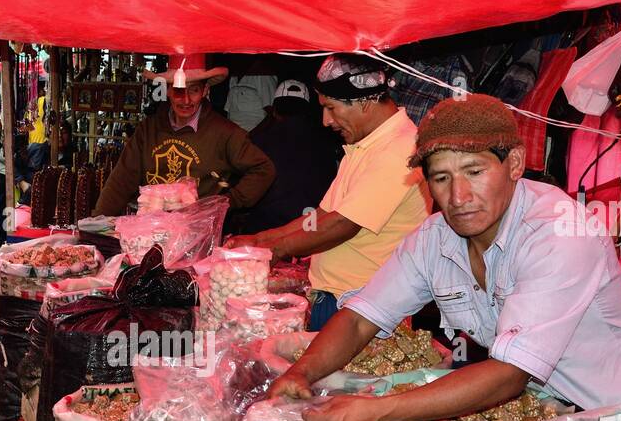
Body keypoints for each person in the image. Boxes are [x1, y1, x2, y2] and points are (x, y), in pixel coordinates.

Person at [268, 93, 621, 421]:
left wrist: (378, 412)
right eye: (441, 178)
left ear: (515, 164)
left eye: (474, 171)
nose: (459, 195)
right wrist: (302, 372)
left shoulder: (559, 232)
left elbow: (509, 374)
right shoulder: (434, 239)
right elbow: (361, 319)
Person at [228, 54, 431, 330]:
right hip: (338, 299)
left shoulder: (399, 149)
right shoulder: (364, 145)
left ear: (364, 102)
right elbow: (323, 216)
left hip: (364, 308)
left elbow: (344, 224)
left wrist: (273, 250)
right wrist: (261, 239)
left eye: (331, 108)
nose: (325, 121)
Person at [92, 53, 275, 216]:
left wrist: (226, 202)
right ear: (168, 91)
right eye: (179, 91)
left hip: (199, 236)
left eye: (194, 90)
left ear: (205, 90)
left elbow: (263, 169)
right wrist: (95, 223)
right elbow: (121, 181)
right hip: (151, 233)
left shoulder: (225, 132)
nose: (186, 100)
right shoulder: (148, 130)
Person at [233, 79, 340, 235]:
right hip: (310, 228)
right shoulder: (328, 142)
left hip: (265, 229)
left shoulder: (259, 141)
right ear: (307, 111)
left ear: (274, 111)